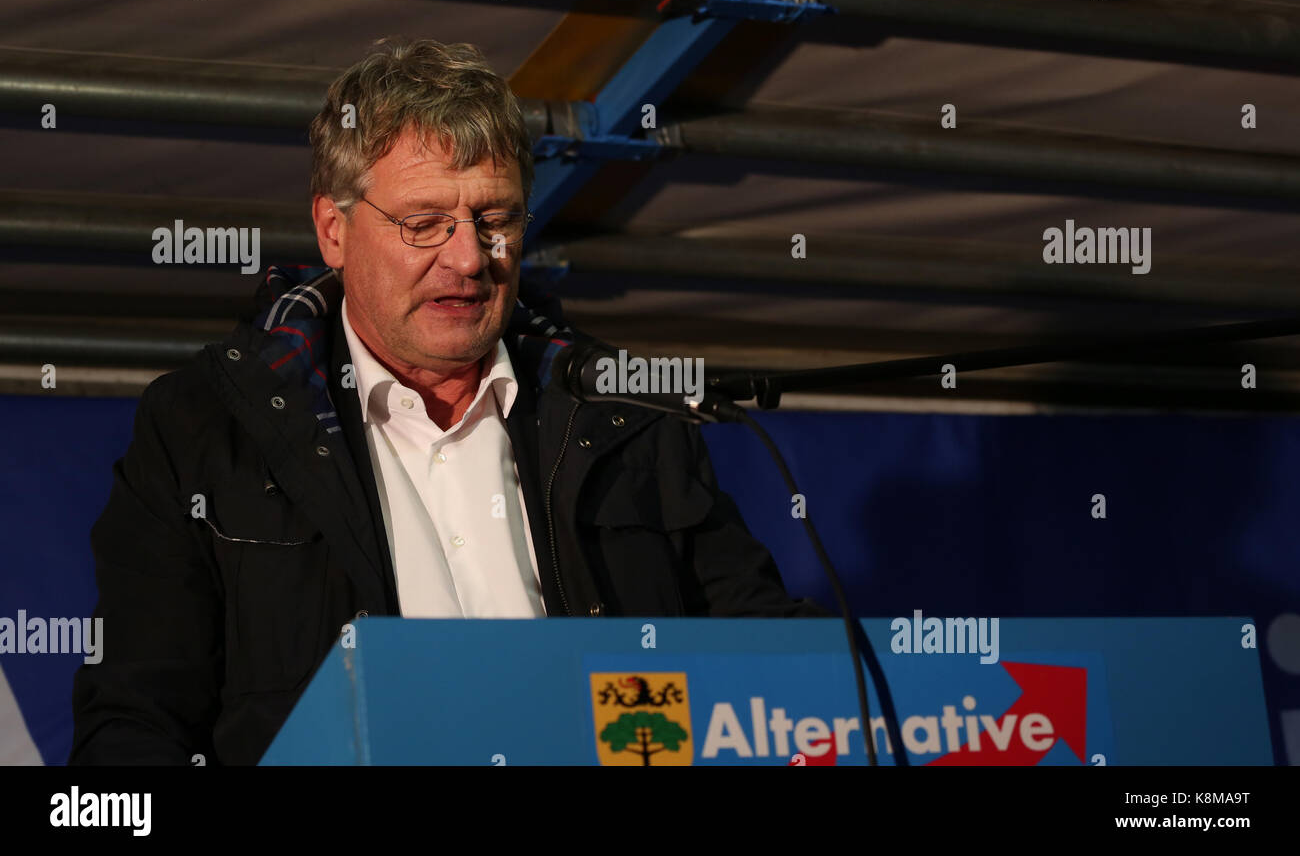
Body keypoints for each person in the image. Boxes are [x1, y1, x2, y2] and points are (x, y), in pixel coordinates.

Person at [69, 38, 826, 766]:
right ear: (334, 230)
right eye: (424, 223)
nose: (469, 259)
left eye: (495, 220)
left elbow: (765, 665)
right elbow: (134, 725)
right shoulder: (204, 429)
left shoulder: (623, 411)